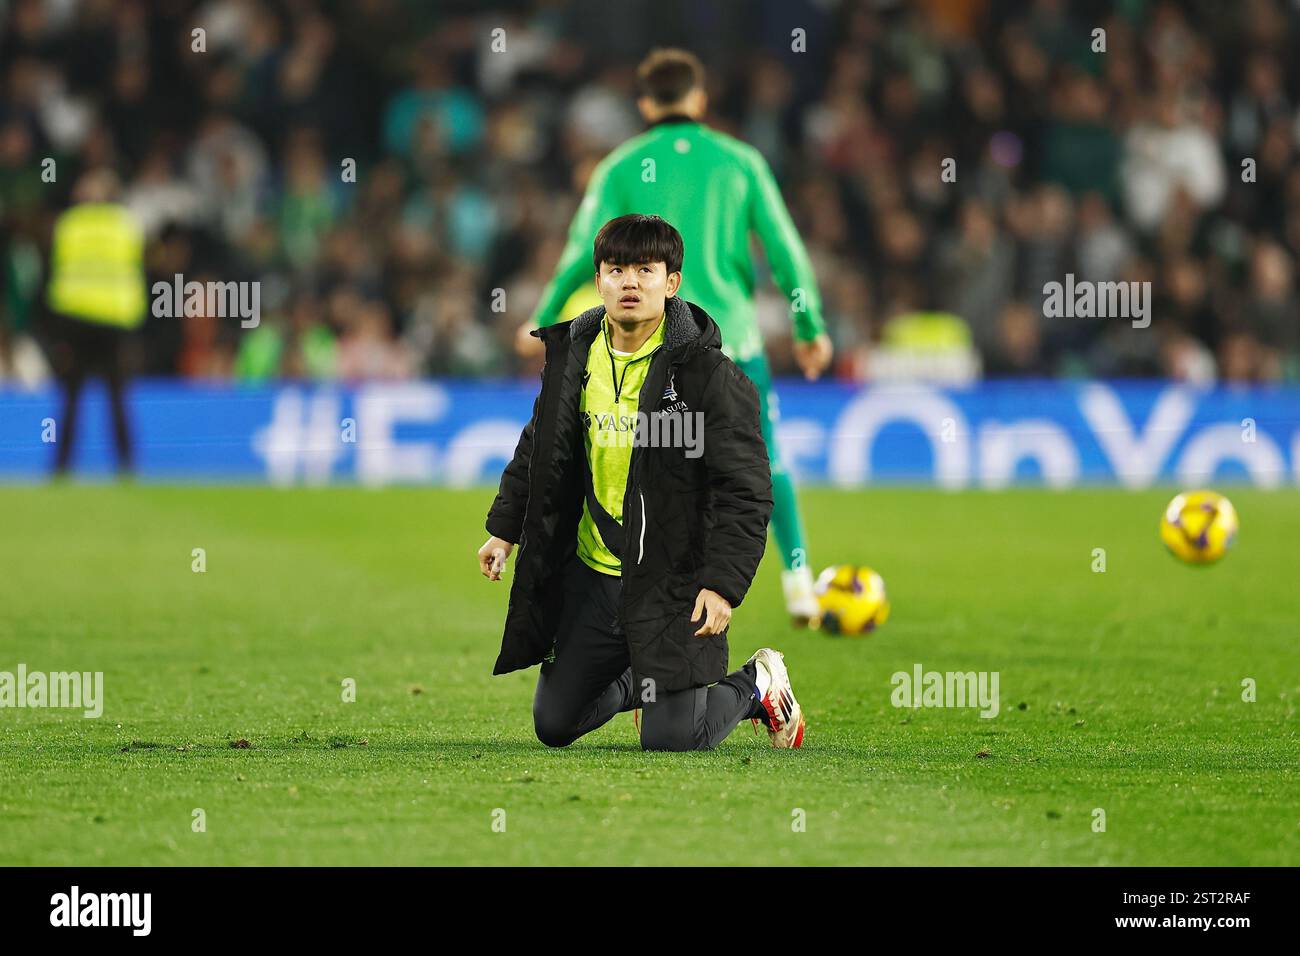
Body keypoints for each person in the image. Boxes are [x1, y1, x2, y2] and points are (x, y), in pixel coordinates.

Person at [519, 48, 832, 625]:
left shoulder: (620, 166)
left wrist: (541, 317)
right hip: (733, 341)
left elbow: (579, 252)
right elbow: (785, 250)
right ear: (700, 99)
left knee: (652, 467)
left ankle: (642, 597)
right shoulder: (741, 162)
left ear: (644, 103)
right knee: (765, 459)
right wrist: (808, 324)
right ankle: (800, 585)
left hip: (656, 342)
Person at [481, 214, 804, 751]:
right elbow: (539, 446)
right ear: (599, 279)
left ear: (671, 283)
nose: (630, 282)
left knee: (674, 739)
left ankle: (757, 684)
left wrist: (722, 583)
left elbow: (745, 489)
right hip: (594, 575)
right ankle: (651, 687)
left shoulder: (707, 376)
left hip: (670, 582)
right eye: (616, 269)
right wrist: (505, 529)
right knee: (555, 725)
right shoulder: (574, 357)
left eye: (645, 270)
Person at [44, 169, 147, 476]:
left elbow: (58, 271)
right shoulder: (127, 225)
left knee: (72, 396)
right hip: (115, 320)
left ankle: (61, 468)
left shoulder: (69, 224)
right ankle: (127, 467)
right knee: (117, 395)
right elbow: (137, 268)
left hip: (75, 320)